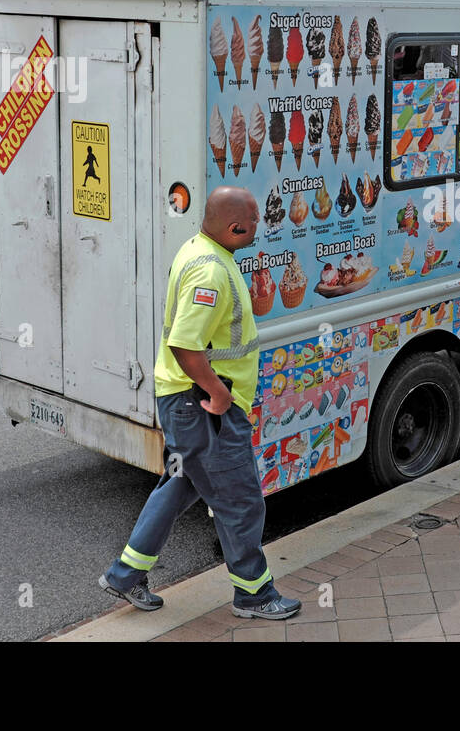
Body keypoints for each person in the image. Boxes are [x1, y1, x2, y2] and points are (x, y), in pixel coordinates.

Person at [100, 186, 301, 619]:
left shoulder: (197, 247)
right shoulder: (211, 272)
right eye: (254, 222)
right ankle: (255, 594)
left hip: (186, 402)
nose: (259, 227)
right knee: (240, 499)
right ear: (234, 227)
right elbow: (185, 346)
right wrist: (219, 392)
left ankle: (125, 574)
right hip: (203, 405)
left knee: (180, 485)